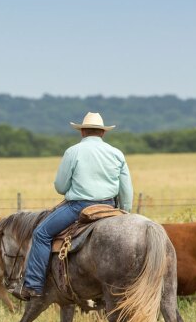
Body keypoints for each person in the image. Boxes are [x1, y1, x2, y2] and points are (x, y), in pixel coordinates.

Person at [14, 112, 133, 301]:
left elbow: (61, 186)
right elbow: (126, 190)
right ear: (102, 133)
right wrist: (125, 212)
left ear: (83, 131)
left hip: (79, 207)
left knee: (41, 233)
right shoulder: (117, 153)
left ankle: (33, 285)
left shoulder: (73, 152)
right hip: (110, 207)